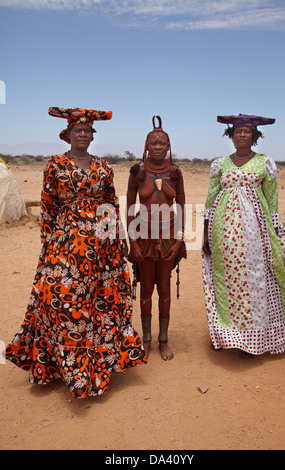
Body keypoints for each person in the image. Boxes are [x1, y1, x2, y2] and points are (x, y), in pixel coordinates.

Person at [5, 107, 146, 398]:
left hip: (101, 246)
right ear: (67, 134)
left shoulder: (104, 166)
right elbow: (48, 207)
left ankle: (98, 364)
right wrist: (49, 244)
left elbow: (110, 204)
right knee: (61, 299)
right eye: (77, 130)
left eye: (87, 131)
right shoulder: (54, 165)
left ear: (92, 136)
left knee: (101, 301)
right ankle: (64, 364)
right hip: (66, 242)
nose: (83, 134)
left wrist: (117, 239)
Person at [202, 113, 285, 357]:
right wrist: (204, 235)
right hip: (223, 233)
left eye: (247, 131)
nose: (242, 134)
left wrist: (277, 233)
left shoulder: (264, 163)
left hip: (257, 233)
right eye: (238, 131)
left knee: (256, 281)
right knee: (229, 282)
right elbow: (211, 199)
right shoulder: (221, 164)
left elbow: (272, 201)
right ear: (231, 136)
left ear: (255, 136)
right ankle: (228, 335)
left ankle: (254, 337)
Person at [126, 116, 186, 361]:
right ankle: (147, 340)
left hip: (169, 236)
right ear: (146, 146)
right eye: (153, 143)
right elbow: (130, 207)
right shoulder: (137, 171)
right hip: (143, 235)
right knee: (146, 289)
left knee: (164, 288)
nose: (158, 146)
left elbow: (180, 207)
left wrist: (180, 241)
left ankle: (163, 341)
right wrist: (132, 242)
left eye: (162, 143)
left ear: (169, 146)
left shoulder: (175, 172)